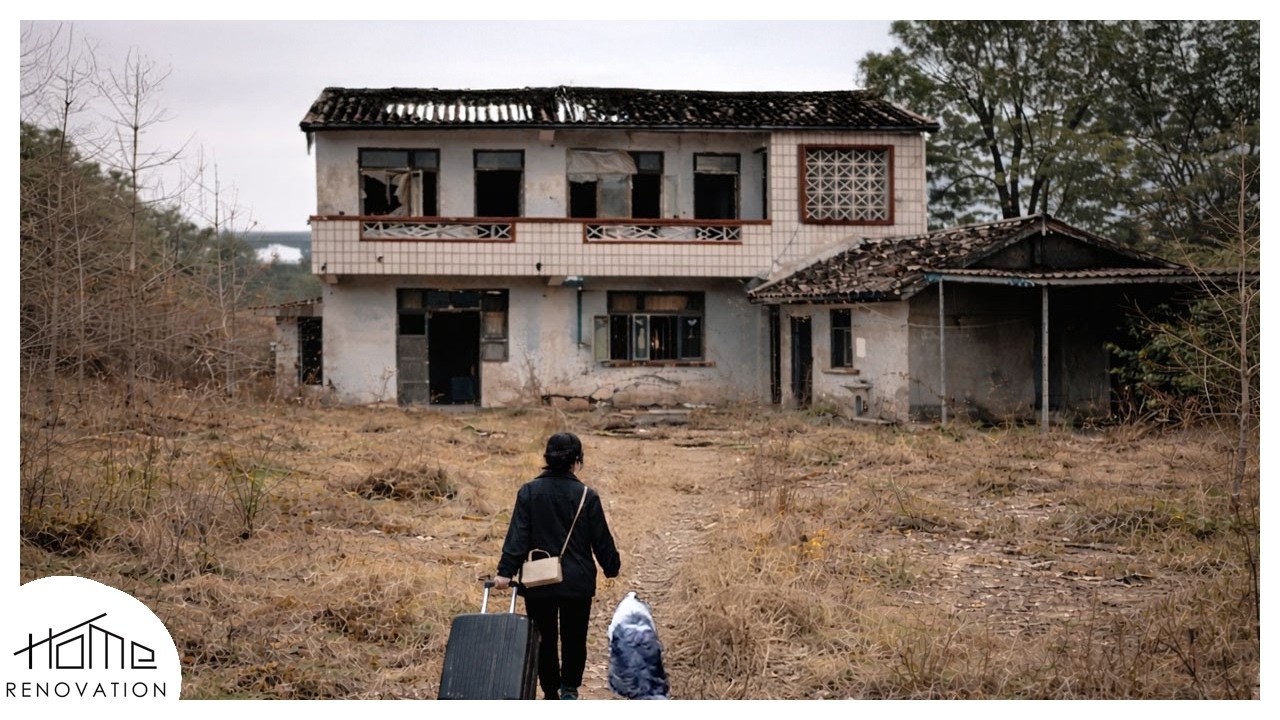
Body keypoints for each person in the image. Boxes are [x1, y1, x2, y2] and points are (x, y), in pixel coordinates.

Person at [493, 431, 621, 700]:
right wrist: (611, 567)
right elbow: (601, 539)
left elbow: (518, 536)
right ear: (577, 460)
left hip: (539, 580)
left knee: (544, 638)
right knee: (575, 637)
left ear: (547, 459)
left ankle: (550, 691)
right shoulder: (587, 496)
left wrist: (505, 572)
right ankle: (570, 690)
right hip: (578, 582)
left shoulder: (529, 492)